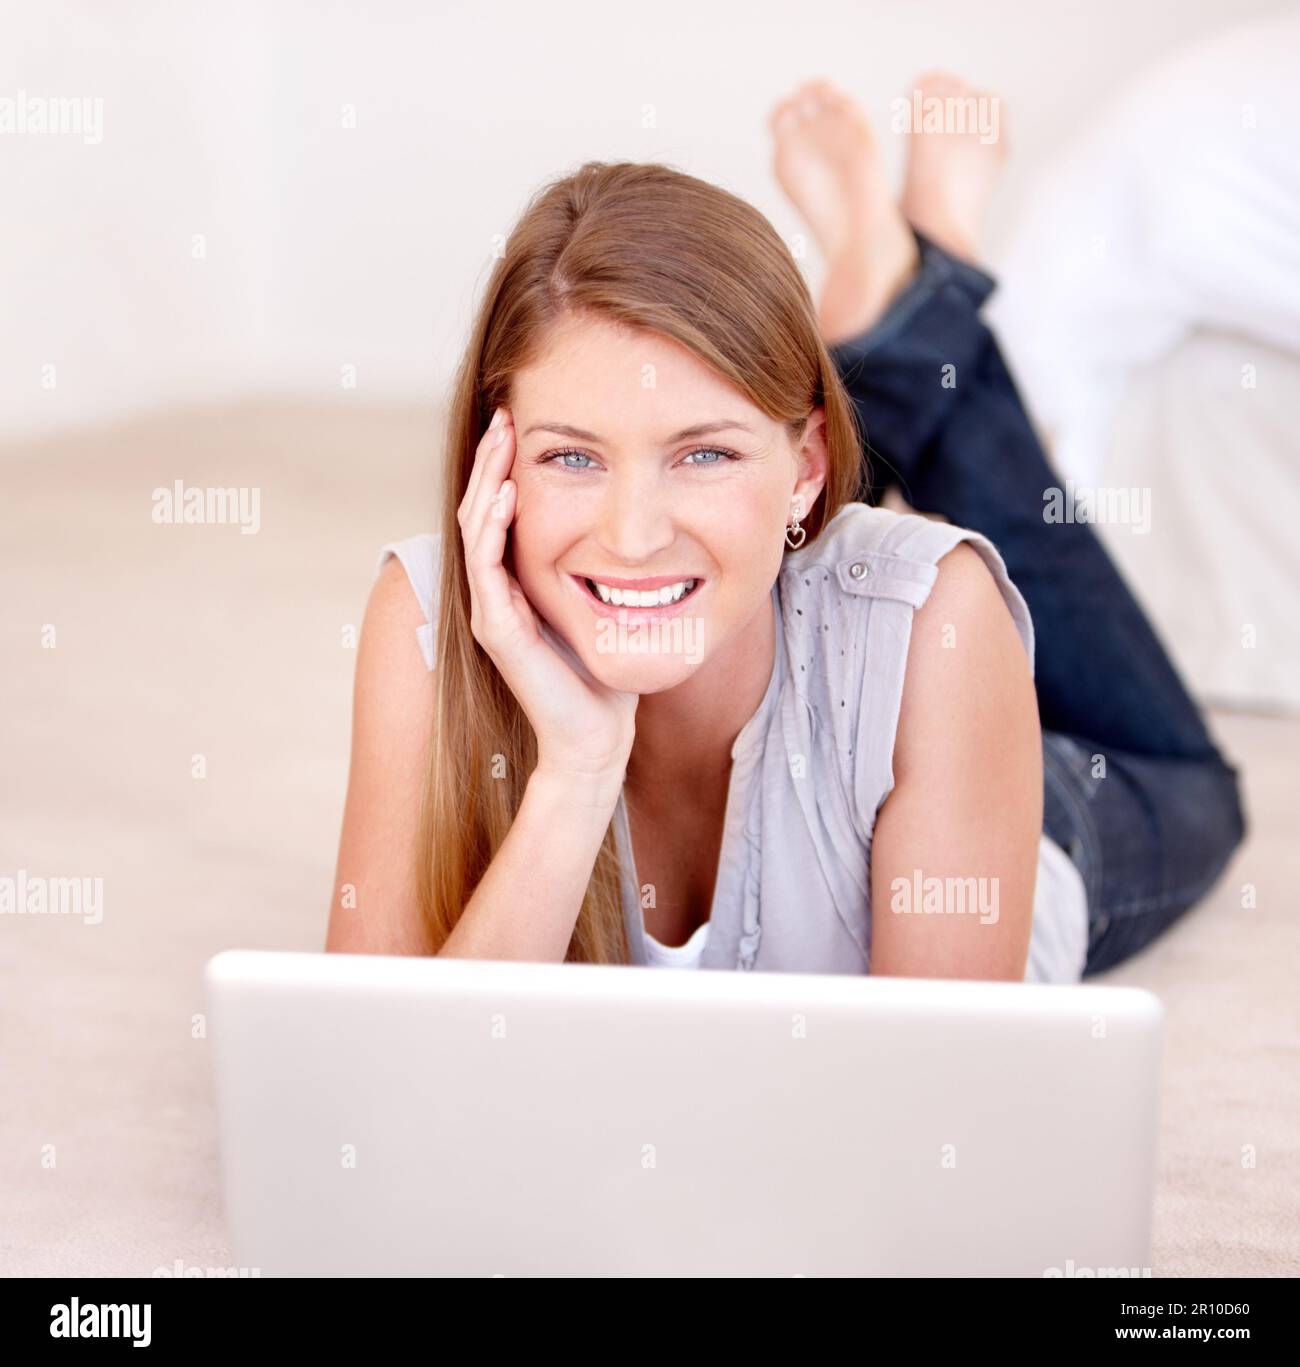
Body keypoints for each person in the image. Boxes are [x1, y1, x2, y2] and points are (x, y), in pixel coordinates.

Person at [325, 75, 1244, 981]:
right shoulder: (425, 626)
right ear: (499, 458)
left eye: (701, 455)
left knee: (1194, 785)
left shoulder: (934, 626)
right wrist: (575, 770)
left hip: (983, 783)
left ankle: (924, 310)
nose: (633, 536)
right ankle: (913, 305)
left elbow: (930, 1111)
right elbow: (383, 1103)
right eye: (573, 456)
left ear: (809, 468)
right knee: (746, 466)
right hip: (863, 688)